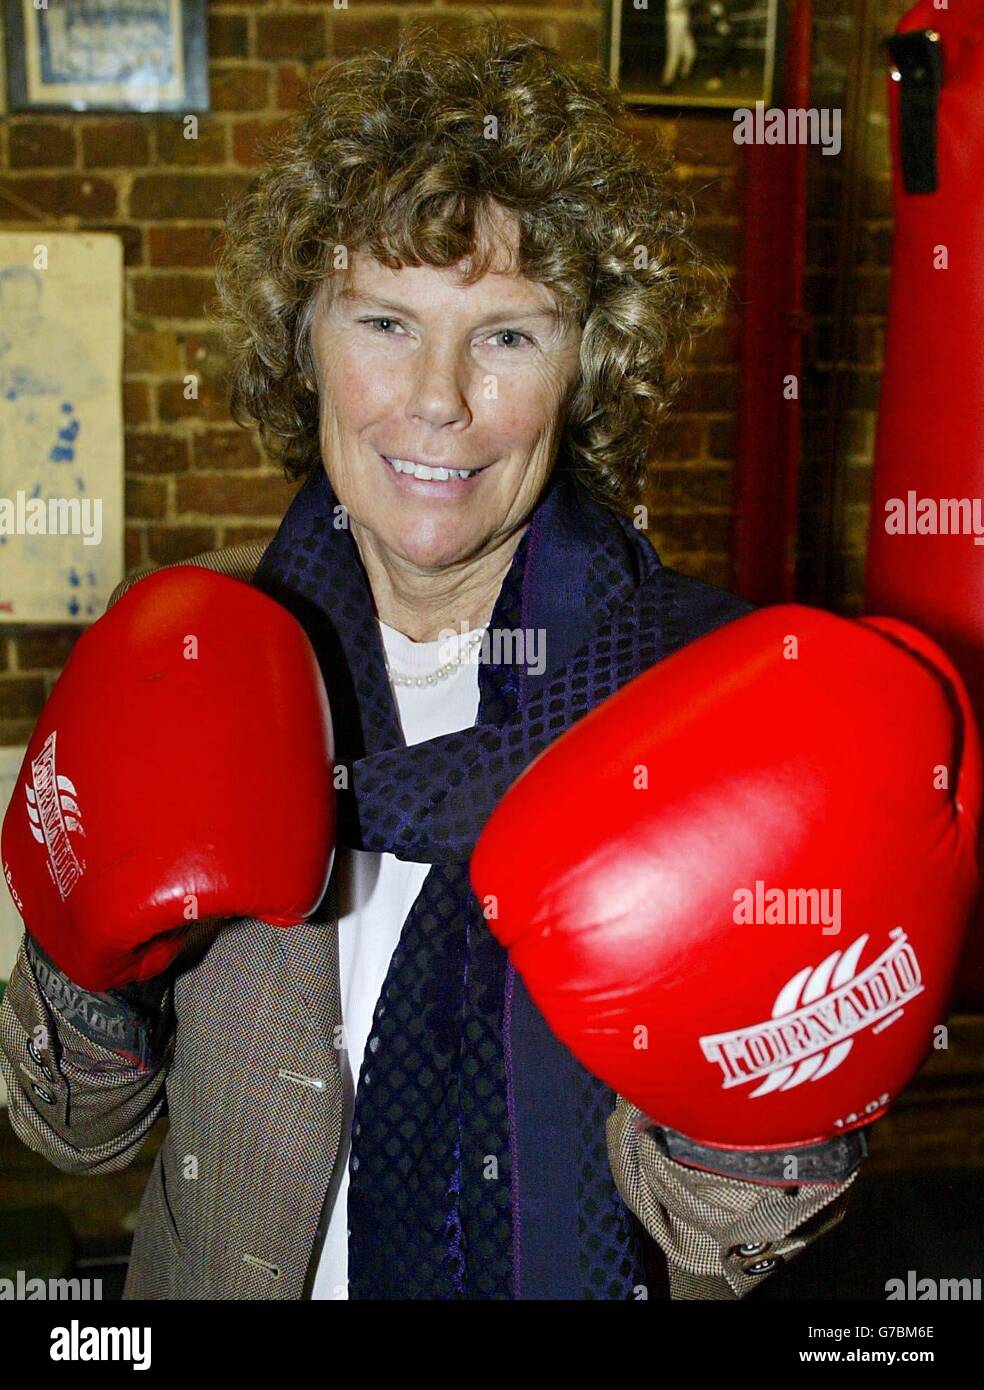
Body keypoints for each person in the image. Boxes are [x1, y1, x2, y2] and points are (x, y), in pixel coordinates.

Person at [1, 19, 882, 1301]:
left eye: (509, 334)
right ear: (303, 340)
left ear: (586, 363)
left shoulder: (693, 709)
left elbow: (721, 1240)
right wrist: (91, 970)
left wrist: (766, 1081)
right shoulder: (190, 666)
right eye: (384, 321)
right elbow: (74, 1136)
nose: (437, 398)